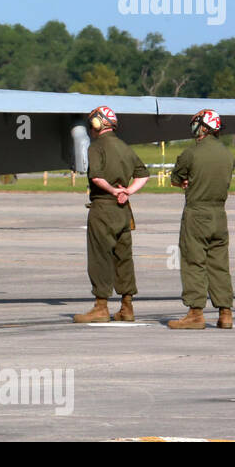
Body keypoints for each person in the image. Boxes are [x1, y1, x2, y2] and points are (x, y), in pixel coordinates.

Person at [73, 106, 150, 323]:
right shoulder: (125, 147)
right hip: (123, 211)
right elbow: (143, 175)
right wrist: (127, 191)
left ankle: (101, 307)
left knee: (100, 257)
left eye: (91, 125)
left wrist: (114, 191)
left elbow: (96, 177)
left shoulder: (96, 147)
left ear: (98, 124)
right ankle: (127, 306)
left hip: (103, 206)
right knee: (124, 257)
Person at [167, 109, 235, 330]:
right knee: (219, 264)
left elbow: (177, 178)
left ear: (203, 127)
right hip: (220, 215)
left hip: (197, 213)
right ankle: (225, 313)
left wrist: (187, 183)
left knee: (193, 261)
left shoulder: (191, 153)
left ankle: (195, 313)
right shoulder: (228, 155)